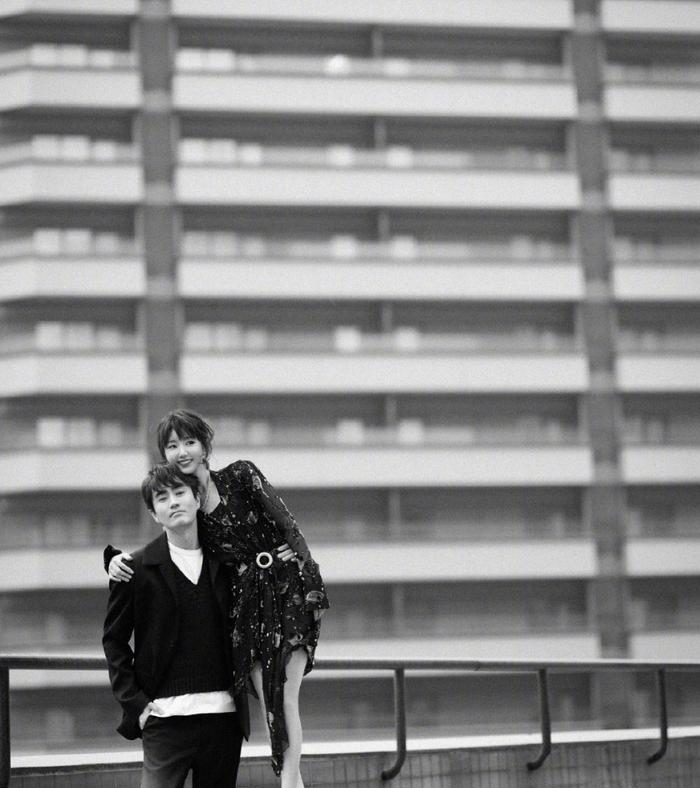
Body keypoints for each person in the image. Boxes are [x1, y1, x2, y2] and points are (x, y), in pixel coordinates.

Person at [106, 409, 329, 788]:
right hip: (244, 612)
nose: (182, 451)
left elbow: (286, 522)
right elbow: (167, 546)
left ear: (205, 445)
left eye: (189, 441)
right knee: (268, 697)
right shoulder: (190, 513)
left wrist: (303, 567)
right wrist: (112, 558)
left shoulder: (240, 475)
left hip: (284, 590)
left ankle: (291, 784)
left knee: (284, 698)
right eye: (172, 445)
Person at [102, 463, 249, 788]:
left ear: (197, 498)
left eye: (180, 492)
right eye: (162, 497)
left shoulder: (227, 565)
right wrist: (136, 705)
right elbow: (114, 641)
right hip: (163, 720)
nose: (174, 501)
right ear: (154, 513)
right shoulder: (135, 568)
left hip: (223, 718)